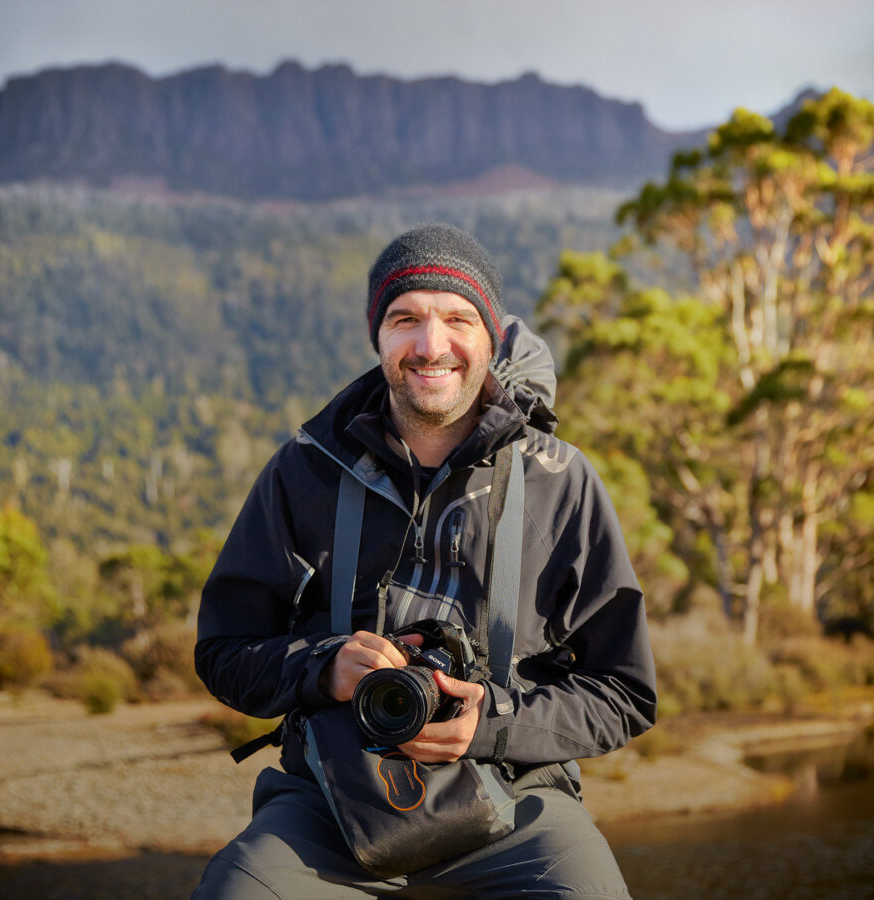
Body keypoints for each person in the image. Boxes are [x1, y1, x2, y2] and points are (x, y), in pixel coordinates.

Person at [192, 224, 656, 898]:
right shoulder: (305, 468)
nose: (430, 345)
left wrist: (491, 722)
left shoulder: (560, 479)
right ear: (377, 338)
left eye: (457, 319)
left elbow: (625, 693)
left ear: (490, 339)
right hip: (330, 798)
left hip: (519, 799)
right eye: (405, 319)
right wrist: (325, 669)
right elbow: (225, 650)